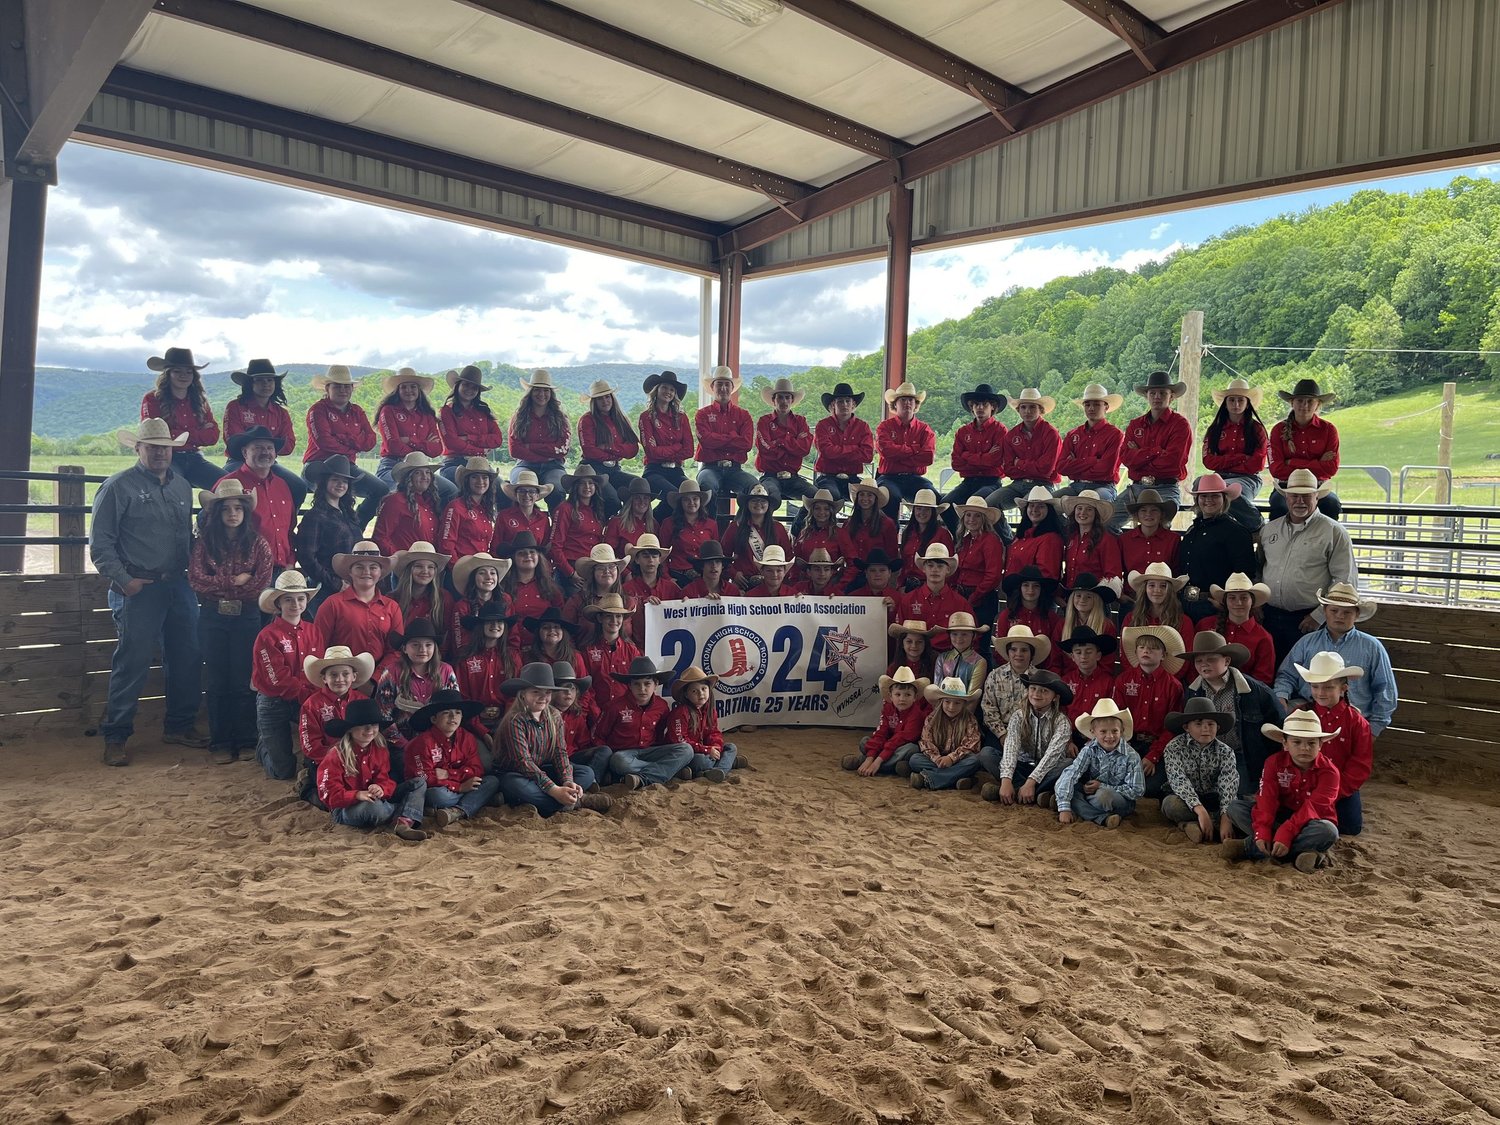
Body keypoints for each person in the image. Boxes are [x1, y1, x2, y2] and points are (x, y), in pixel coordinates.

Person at [92, 418, 206, 766]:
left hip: (177, 581)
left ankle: (179, 724)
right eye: (153, 446)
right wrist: (125, 580)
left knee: (186, 655)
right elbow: (100, 545)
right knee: (132, 660)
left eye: (165, 447)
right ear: (138, 448)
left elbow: (186, 537)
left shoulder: (182, 487)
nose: (160, 452)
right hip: (138, 586)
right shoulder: (117, 487)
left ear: (172, 450)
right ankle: (116, 734)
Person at [189, 479, 273, 763]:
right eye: (227, 509)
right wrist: (235, 581)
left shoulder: (259, 544)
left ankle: (247, 739)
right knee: (216, 679)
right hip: (213, 615)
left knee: (242, 678)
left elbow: (260, 584)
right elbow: (196, 580)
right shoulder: (204, 544)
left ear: (246, 512)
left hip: (245, 614)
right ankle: (221, 741)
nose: (233, 514)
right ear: (218, 513)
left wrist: (221, 584)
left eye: (238, 508)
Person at [1259, 469, 1358, 665]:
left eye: (1306, 496)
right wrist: (1257, 603)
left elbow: (1345, 580)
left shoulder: (1334, 532)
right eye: (1295, 495)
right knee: (1272, 672)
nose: (1300, 501)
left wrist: (1319, 615)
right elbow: (1259, 568)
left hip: (1307, 620)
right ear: (1286, 497)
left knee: (1307, 676)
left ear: (1316, 497)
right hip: (1269, 616)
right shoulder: (1269, 530)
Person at [1223, 710, 1341, 871]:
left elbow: (1314, 807)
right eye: (1297, 742)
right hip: (1279, 815)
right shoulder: (1273, 762)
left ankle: (1249, 848)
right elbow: (1266, 799)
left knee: (1328, 831)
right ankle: (1303, 853)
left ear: (1320, 745)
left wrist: (1286, 832)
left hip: (1312, 821)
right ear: (1285, 744)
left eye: (1312, 743)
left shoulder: (1330, 772)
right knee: (1234, 808)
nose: (1305, 748)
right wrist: (1263, 830)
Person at [1274, 583, 1396, 738]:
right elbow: (1287, 675)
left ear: (1356, 615)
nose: (1340, 616)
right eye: (1334, 610)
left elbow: (1385, 690)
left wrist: (1372, 730)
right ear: (1325, 611)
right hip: (1308, 716)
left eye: (1347, 612)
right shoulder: (1306, 642)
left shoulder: (1372, 647)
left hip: (1353, 718)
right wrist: (1281, 697)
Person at [493, 662, 612, 814]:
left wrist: (567, 781)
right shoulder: (515, 720)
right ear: (523, 694)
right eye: (536, 692)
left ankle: (557, 799)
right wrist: (554, 789)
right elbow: (524, 763)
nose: (543, 697)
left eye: (548, 692)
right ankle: (576, 802)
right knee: (515, 784)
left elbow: (560, 752)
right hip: (515, 773)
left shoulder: (554, 715)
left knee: (586, 773)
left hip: (542, 768)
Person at [1181, 630, 1285, 798]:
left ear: (1227, 660)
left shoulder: (1255, 691)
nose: (1204, 665)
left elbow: (1278, 725)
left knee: (1239, 798)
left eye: (1211, 659)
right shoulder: (1193, 693)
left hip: (1242, 757)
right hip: (1206, 758)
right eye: (1198, 661)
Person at [316, 698, 428, 842]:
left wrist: (380, 788)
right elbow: (328, 795)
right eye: (363, 725)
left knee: (419, 783)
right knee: (376, 809)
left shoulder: (380, 749)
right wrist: (356, 795)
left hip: (375, 798)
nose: (370, 730)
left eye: (374, 725)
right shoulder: (336, 755)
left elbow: (385, 778)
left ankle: (403, 822)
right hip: (347, 808)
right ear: (350, 729)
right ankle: (408, 811)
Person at [251, 571, 323, 780]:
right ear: (279, 604)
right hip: (274, 701)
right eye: (288, 599)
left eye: (301, 599)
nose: (296, 604)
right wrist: (309, 697)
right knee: (283, 771)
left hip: (304, 697)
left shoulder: (313, 631)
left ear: (306, 602)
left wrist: (313, 697)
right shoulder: (267, 636)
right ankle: (263, 748)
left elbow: (317, 668)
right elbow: (277, 679)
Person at [1297, 651, 1373, 837]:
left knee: (1350, 827)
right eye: (1315, 687)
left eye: (1328, 688)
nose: (1320, 693)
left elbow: (1360, 765)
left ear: (1343, 688)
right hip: (1304, 783)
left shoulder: (1357, 722)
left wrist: (1332, 792)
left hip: (1340, 787)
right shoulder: (1300, 715)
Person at [403, 689, 502, 828]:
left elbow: (477, 769)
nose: (453, 717)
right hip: (437, 789)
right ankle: (477, 801)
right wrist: (460, 786)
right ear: (433, 719)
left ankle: (457, 811)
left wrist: (450, 774)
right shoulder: (422, 743)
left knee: (491, 781)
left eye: (457, 712)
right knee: (437, 796)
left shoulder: (467, 737)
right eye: (446, 713)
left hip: (453, 786)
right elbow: (424, 778)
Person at [303, 364, 386, 529]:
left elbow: (370, 441)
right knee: (334, 499)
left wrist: (341, 438)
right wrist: (354, 443)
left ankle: (356, 527)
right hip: (319, 465)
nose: (343, 390)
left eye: (347, 386)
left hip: (348, 468)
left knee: (381, 490)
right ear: (327, 388)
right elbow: (324, 442)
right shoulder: (317, 410)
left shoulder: (357, 411)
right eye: (337, 386)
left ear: (352, 389)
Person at [978, 668, 1073, 806]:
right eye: (1033, 688)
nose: (1036, 694)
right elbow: (1011, 747)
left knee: (1067, 764)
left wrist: (1031, 782)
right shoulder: (1018, 716)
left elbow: (1052, 755)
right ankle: (1034, 793)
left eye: (1044, 691)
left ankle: (1022, 790)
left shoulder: (1061, 722)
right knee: (986, 754)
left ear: (1055, 697)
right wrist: (1006, 780)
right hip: (1021, 766)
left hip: (1046, 771)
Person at [597, 656, 694, 787]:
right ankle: (670, 772)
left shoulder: (662, 706)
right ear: (629, 686)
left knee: (686, 749)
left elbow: (662, 733)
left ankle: (641, 778)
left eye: (647, 684)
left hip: (652, 751)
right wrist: (607, 758)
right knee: (618, 761)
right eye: (637, 684)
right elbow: (598, 735)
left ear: (656, 685)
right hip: (625, 754)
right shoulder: (614, 706)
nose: (642, 689)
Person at [222, 357, 307, 507]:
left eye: (270, 380)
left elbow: (289, 445)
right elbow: (233, 442)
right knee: (223, 487)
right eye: (260, 380)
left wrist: (260, 448)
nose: (266, 384)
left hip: (269, 462)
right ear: (250, 384)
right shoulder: (235, 407)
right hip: (238, 462)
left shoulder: (281, 413)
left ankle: (285, 527)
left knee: (299, 487)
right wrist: (271, 443)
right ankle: (206, 525)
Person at [372, 619, 458, 760]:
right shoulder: (392, 672)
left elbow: (455, 710)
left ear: (434, 648)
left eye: (428, 645)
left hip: (441, 740)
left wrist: (441, 741)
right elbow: (383, 716)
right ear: (405, 648)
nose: (422, 650)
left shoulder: (446, 671)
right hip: (402, 743)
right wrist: (405, 745)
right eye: (415, 645)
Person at [1114, 625, 1185, 794]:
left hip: (1158, 745)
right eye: (1142, 647)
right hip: (1128, 743)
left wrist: (1153, 756)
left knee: (1153, 787)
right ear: (1136, 651)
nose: (1146, 651)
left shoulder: (1174, 686)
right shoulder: (1123, 680)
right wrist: (1126, 751)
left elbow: (1173, 727)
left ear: (1163, 655)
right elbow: (1116, 718)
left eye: (1153, 648)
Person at [1159, 697, 1240, 844]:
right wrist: (1200, 810)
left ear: (1218, 727)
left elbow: (1229, 786)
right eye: (1198, 724)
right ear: (1186, 727)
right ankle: (1200, 822)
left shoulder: (1226, 751)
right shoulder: (1174, 747)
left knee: (1237, 809)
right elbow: (1178, 780)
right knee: (1171, 805)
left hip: (1214, 799)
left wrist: (1225, 816)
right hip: (1186, 801)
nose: (1205, 728)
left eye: (1211, 724)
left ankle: (1197, 825)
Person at [1178, 473, 1258, 622]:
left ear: (1224, 498)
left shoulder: (1236, 531)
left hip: (1213, 605)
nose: (1208, 500)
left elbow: (1245, 572)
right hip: (1186, 604)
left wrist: (1224, 603)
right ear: (1198, 500)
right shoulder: (1193, 529)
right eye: (1203, 496)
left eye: (1214, 496)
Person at [298, 646, 375, 799]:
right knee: (330, 798)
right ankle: (308, 787)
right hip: (326, 760)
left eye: (345, 674)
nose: (340, 679)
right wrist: (338, 759)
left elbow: (373, 734)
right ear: (324, 678)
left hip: (361, 759)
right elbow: (310, 745)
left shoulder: (363, 701)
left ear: (354, 676)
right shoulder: (311, 705)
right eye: (333, 674)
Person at [140, 346, 222, 490]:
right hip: (166, 458)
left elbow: (213, 436)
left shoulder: (200, 401)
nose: (183, 376)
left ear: (193, 375)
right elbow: (154, 434)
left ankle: (208, 512)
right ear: (168, 374)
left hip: (195, 458)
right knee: (174, 488)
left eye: (188, 372)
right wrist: (197, 433)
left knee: (228, 485)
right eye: (177, 371)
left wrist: (176, 434)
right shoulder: (152, 399)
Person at [985, 388, 1061, 543]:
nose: (1027, 411)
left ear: (1041, 410)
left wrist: (1019, 463)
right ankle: (1009, 542)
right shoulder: (1011, 435)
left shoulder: (1051, 433)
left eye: (1032, 407)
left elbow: (1046, 469)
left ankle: (1032, 545)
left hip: (1043, 484)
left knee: (1030, 507)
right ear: (1018, 410)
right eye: (1024, 407)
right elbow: (1008, 470)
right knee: (989, 505)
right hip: (1017, 484)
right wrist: (1033, 466)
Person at [1056, 699, 1145, 828]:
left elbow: (1137, 790)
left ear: (1121, 730)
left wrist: (1102, 786)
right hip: (1092, 793)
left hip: (1120, 801)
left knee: (1103, 796)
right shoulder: (1089, 749)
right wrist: (1064, 808)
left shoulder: (1131, 756)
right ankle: (1102, 817)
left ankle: (1078, 806)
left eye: (1114, 731)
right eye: (1103, 732)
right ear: (1093, 732)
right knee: (1069, 784)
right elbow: (1072, 772)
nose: (1109, 736)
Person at [218, 426, 297, 571]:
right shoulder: (228, 485)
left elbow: (289, 530)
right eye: (258, 447)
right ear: (244, 452)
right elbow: (212, 530)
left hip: (282, 571)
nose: (265, 452)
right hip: (245, 573)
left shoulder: (283, 486)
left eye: (269, 448)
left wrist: (290, 562)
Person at [1116, 370, 1192, 520]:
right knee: (1107, 522)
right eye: (1153, 393)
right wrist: (1158, 452)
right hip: (1137, 487)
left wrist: (1139, 453)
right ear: (1147, 396)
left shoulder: (1180, 424)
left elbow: (1173, 462)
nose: (1157, 397)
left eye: (1163, 393)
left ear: (1171, 397)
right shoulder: (1135, 424)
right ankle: (1128, 543)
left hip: (1166, 487)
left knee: (1160, 525)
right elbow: (1125, 457)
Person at [374, 368, 457, 503]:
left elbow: (436, 450)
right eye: (404, 387)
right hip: (393, 465)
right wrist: (424, 443)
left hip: (421, 468)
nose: (409, 390)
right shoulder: (388, 411)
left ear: (419, 390)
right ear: (397, 390)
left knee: (450, 490)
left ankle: (434, 523)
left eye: (413, 387)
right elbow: (393, 446)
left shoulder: (427, 414)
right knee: (407, 490)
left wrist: (409, 441)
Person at [316, 542, 404, 668]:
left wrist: (376, 679)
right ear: (350, 572)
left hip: (381, 678)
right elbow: (319, 645)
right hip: (341, 678)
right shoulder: (332, 604)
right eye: (359, 567)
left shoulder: (392, 607)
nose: (366, 572)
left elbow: (395, 650)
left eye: (373, 567)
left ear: (380, 573)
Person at [294, 454, 360, 618]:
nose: (341, 485)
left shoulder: (348, 515)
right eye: (335, 479)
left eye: (344, 481)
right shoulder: (314, 516)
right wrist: (335, 583)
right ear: (324, 483)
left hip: (350, 586)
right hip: (324, 590)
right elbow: (306, 556)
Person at [1268, 377, 1341, 520]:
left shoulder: (1328, 430)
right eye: (1300, 400)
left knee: (1332, 505)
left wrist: (1290, 462)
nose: (1304, 405)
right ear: (1292, 402)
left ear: (1318, 405)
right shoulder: (1278, 430)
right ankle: (1279, 541)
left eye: (1310, 401)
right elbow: (1276, 469)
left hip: (1318, 488)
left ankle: (1325, 541)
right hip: (1286, 487)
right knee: (1279, 506)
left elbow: (1331, 468)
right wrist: (1317, 462)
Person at [1202, 377, 1269, 530]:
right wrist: (1241, 458)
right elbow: (1208, 461)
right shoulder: (1215, 430)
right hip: (1220, 476)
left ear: (1247, 404)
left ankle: (1256, 523)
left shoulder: (1257, 429)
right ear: (1225, 403)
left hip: (1249, 478)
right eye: (1232, 400)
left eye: (1240, 400)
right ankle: (1208, 529)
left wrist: (1224, 461)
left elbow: (1257, 464)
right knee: (1199, 485)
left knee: (1227, 491)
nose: (1236, 404)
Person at [843, 666, 929, 776]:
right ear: (890, 696)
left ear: (915, 697)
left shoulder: (917, 715)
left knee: (911, 749)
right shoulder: (888, 708)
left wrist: (877, 760)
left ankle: (866, 763)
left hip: (902, 746)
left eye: (907, 695)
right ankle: (883, 764)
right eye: (898, 694)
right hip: (888, 745)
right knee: (865, 741)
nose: (902, 699)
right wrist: (870, 757)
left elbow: (901, 738)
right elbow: (881, 732)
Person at [455, 600, 520, 747]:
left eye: (500, 622)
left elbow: (516, 696)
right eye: (489, 621)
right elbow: (463, 699)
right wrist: (482, 732)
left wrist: (503, 726)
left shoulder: (513, 657)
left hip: (507, 722)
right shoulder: (465, 658)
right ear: (480, 625)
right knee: (485, 763)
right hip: (473, 724)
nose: (495, 626)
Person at [979, 625, 1050, 753]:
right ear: (1008, 652)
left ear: (1031, 653)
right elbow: (988, 708)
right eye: (1014, 649)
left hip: (1030, 734)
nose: (1018, 654)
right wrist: (1002, 734)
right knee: (986, 754)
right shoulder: (995, 676)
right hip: (1000, 730)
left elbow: (1044, 712)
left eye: (1024, 650)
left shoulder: (1041, 678)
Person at [943, 383, 1008, 517]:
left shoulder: (1000, 430)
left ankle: (1004, 536)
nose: (980, 408)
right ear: (971, 407)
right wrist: (984, 457)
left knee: (978, 502)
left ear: (992, 407)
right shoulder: (962, 432)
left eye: (984, 404)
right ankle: (960, 537)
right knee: (946, 505)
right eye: (976, 404)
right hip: (969, 481)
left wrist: (966, 456)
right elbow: (956, 463)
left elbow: (995, 461)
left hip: (991, 482)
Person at [577, 379, 641, 516]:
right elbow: (589, 451)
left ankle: (624, 525)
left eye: (607, 397)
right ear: (594, 401)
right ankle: (601, 528)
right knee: (613, 500)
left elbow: (633, 449)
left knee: (639, 486)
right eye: (600, 398)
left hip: (614, 469)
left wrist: (608, 448)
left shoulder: (621, 419)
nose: (605, 401)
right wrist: (619, 451)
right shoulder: (587, 420)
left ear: (612, 398)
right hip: (593, 469)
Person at [694, 365, 756, 504]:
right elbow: (706, 442)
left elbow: (746, 444)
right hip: (710, 467)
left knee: (755, 488)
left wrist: (716, 438)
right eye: (719, 384)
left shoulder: (743, 415)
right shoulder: (702, 414)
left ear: (732, 388)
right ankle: (708, 526)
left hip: (735, 469)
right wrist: (734, 436)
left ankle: (741, 525)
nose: (723, 388)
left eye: (727, 384)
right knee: (707, 487)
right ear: (712, 387)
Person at [875, 380, 937, 520]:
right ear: (895, 404)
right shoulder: (884, 427)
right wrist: (915, 449)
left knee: (933, 497)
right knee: (891, 497)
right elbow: (886, 451)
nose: (907, 403)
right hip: (888, 478)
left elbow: (928, 457)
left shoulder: (924, 429)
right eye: (903, 399)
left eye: (911, 400)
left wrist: (898, 456)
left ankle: (921, 537)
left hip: (914, 478)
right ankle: (890, 537)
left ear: (916, 405)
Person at [908, 677, 983, 790]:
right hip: (938, 759)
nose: (951, 707)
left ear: (963, 704)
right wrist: (937, 758)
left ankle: (931, 778)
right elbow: (926, 742)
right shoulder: (932, 718)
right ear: (941, 702)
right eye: (947, 702)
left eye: (957, 703)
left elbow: (971, 743)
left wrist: (951, 758)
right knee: (914, 759)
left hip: (960, 759)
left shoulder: (970, 719)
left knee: (974, 760)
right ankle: (957, 777)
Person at [1201, 573, 1276, 685]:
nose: (1238, 603)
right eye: (1232, 598)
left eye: (1244, 598)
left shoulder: (1263, 638)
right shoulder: (1205, 625)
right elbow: (1195, 662)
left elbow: (1263, 679)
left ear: (1252, 601)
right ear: (1225, 601)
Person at [438, 365, 506, 488]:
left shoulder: (484, 411)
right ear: (458, 385)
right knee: (458, 488)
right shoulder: (446, 411)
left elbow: (497, 439)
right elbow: (452, 443)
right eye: (466, 385)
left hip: (481, 464)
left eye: (474, 387)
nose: (470, 390)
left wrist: (467, 438)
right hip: (454, 463)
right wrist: (481, 449)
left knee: (503, 491)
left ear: (478, 391)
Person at [665, 666, 738, 780]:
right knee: (700, 761)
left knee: (731, 747)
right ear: (686, 694)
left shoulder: (709, 710)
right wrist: (706, 750)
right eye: (694, 691)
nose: (701, 694)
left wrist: (716, 747)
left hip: (704, 749)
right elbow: (680, 741)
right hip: (686, 754)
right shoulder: (680, 713)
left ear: (709, 689)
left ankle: (717, 770)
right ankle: (727, 764)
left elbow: (713, 732)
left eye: (704, 689)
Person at [1054, 383, 1124, 502]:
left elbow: (1106, 469)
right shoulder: (1073, 435)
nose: (1091, 408)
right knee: (1045, 502)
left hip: (1103, 487)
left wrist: (1074, 464)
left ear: (1106, 407)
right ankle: (1064, 522)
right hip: (1076, 486)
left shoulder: (1115, 434)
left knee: (1090, 501)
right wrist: (1093, 460)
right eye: (1087, 404)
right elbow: (1060, 467)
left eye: (1096, 404)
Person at [638, 370, 694, 515]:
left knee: (692, 494)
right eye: (664, 387)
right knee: (675, 496)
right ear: (657, 390)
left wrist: (662, 450)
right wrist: (676, 447)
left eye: (672, 389)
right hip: (654, 470)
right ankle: (655, 522)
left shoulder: (682, 418)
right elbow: (651, 452)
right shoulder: (646, 417)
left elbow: (689, 451)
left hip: (676, 470)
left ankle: (659, 524)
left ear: (675, 394)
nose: (668, 392)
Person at [507, 369, 572, 494]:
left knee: (558, 490)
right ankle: (529, 513)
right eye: (537, 389)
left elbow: (563, 449)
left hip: (554, 466)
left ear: (551, 393)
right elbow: (514, 450)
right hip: (524, 465)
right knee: (521, 488)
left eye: (546, 390)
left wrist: (529, 446)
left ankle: (556, 514)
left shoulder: (561, 418)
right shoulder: (519, 417)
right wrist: (547, 453)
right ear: (530, 393)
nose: (542, 394)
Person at [755, 377, 815, 513]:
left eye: (787, 397)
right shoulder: (764, 421)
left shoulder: (801, 421)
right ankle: (767, 532)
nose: (784, 401)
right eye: (780, 397)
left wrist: (779, 442)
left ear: (792, 400)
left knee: (817, 497)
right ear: (773, 400)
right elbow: (765, 450)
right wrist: (792, 444)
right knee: (771, 498)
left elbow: (804, 449)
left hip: (793, 477)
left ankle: (798, 528)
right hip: (770, 475)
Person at [812, 381, 874, 511]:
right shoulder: (823, 425)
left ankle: (859, 530)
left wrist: (837, 451)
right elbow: (826, 451)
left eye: (848, 401)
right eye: (840, 401)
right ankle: (801, 529)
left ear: (854, 404)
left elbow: (868, 455)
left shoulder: (863, 426)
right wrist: (854, 449)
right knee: (830, 496)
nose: (844, 405)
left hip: (852, 477)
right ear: (833, 404)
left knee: (869, 499)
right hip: (827, 477)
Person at [502, 532, 566, 651]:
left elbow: (561, 620)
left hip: (544, 649)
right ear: (513, 559)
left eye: (532, 552)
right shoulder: (503, 588)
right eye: (522, 553)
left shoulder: (552, 588)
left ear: (538, 557)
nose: (528, 556)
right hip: (512, 650)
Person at [372, 451, 444, 556]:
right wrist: (399, 561)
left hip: (426, 566)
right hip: (403, 568)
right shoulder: (395, 501)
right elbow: (380, 537)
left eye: (427, 472)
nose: (425, 477)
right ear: (408, 478)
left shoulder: (430, 503)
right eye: (418, 473)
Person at [897, 544, 968, 651]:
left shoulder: (961, 604)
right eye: (930, 565)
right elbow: (901, 634)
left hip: (949, 658)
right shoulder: (907, 601)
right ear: (923, 569)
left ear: (948, 570)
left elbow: (970, 637)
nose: (935, 570)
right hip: (916, 655)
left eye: (940, 566)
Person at [722, 482, 792, 589]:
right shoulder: (735, 527)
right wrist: (734, 573)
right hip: (743, 584)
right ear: (747, 504)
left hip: (772, 585)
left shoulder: (778, 528)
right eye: (754, 500)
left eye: (763, 501)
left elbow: (788, 556)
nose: (758, 504)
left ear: (768, 505)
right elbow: (723, 556)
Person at [549, 465, 608, 589]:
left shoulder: (597, 510)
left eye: (591, 483)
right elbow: (555, 546)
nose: (587, 487)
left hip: (593, 568)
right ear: (575, 487)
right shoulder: (565, 509)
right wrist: (570, 573)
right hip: (572, 568)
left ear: (595, 487)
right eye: (582, 483)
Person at [579, 594, 641, 712]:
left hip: (625, 714)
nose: (614, 621)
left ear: (623, 619)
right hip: (596, 713)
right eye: (609, 616)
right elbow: (586, 688)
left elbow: (637, 684)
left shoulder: (632, 651)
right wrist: (596, 713)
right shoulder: (587, 650)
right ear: (600, 618)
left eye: (618, 616)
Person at [949, 500, 1004, 628]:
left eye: (977, 515)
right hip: (962, 594)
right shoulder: (965, 540)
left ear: (983, 519)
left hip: (982, 598)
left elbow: (993, 575)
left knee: (979, 640)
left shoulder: (991, 540)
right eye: (968, 515)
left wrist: (975, 596)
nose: (971, 519)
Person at [553, 662, 609, 784]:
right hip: (553, 761)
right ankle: (585, 782)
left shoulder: (576, 715)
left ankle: (593, 782)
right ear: (552, 692)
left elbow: (584, 744)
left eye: (572, 688)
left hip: (573, 757)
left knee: (604, 751)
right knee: (584, 771)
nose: (568, 693)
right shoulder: (544, 715)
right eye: (563, 688)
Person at [1125, 562, 1196, 659]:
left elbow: (1185, 659)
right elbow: (1127, 656)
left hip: (1173, 674)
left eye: (1163, 586)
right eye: (1152, 585)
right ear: (1144, 589)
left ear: (1170, 590)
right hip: (1136, 674)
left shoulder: (1184, 622)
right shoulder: (1131, 619)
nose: (1157, 590)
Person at [447, 551, 511, 654]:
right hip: (471, 658)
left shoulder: (505, 600)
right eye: (482, 573)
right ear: (473, 578)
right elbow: (459, 641)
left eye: (492, 573)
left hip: (501, 656)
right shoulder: (462, 606)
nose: (489, 577)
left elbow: (512, 634)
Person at [564, 543, 629, 641]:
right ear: (592, 573)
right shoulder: (576, 601)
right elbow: (566, 637)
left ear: (617, 571)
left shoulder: (629, 602)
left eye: (611, 566)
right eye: (600, 567)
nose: (607, 571)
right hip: (582, 654)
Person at [439, 456, 500, 560]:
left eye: (484, 477)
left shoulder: (486, 509)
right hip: (461, 569)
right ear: (467, 480)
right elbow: (446, 545)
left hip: (480, 568)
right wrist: (457, 569)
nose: (480, 481)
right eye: (475, 477)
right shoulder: (455, 507)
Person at [659, 479, 718, 585]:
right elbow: (662, 555)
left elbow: (716, 555)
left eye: (695, 499)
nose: (691, 503)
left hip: (704, 579)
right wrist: (668, 579)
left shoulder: (711, 524)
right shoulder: (668, 524)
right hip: (677, 577)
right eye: (686, 499)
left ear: (700, 501)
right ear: (680, 502)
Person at [623, 533, 680, 642]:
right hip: (636, 649)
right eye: (645, 556)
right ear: (637, 560)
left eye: (654, 556)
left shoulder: (672, 589)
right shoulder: (626, 590)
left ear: (659, 560)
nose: (650, 560)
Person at [1059, 626, 1116, 736]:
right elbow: (1061, 713)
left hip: (1098, 737)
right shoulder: (1065, 681)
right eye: (1078, 652)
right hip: (1069, 735)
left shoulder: (1109, 682)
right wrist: (1068, 740)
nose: (1083, 656)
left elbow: (1110, 716)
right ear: (1072, 657)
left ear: (1098, 655)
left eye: (1089, 652)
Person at [835, 478, 898, 578]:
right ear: (857, 497)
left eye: (869, 495)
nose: (865, 498)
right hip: (852, 575)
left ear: (875, 499)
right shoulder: (849, 523)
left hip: (877, 576)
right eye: (862, 494)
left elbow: (892, 554)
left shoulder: (887, 524)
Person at [1060, 490, 1122, 587]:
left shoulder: (1106, 540)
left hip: (1094, 596)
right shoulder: (1072, 538)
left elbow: (1112, 576)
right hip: (1070, 595)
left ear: (1096, 514)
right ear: (1074, 511)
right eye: (1079, 508)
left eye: (1089, 509)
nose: (1083, 512)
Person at [1002, 486, 1064, 581]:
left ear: (1049, 510)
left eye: (1041, 506)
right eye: (1031, 505)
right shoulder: (1021, 536)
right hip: (1016, 592)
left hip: (1031, 593)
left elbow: (1047, 575)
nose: (1035, 510)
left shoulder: (1051, 539)